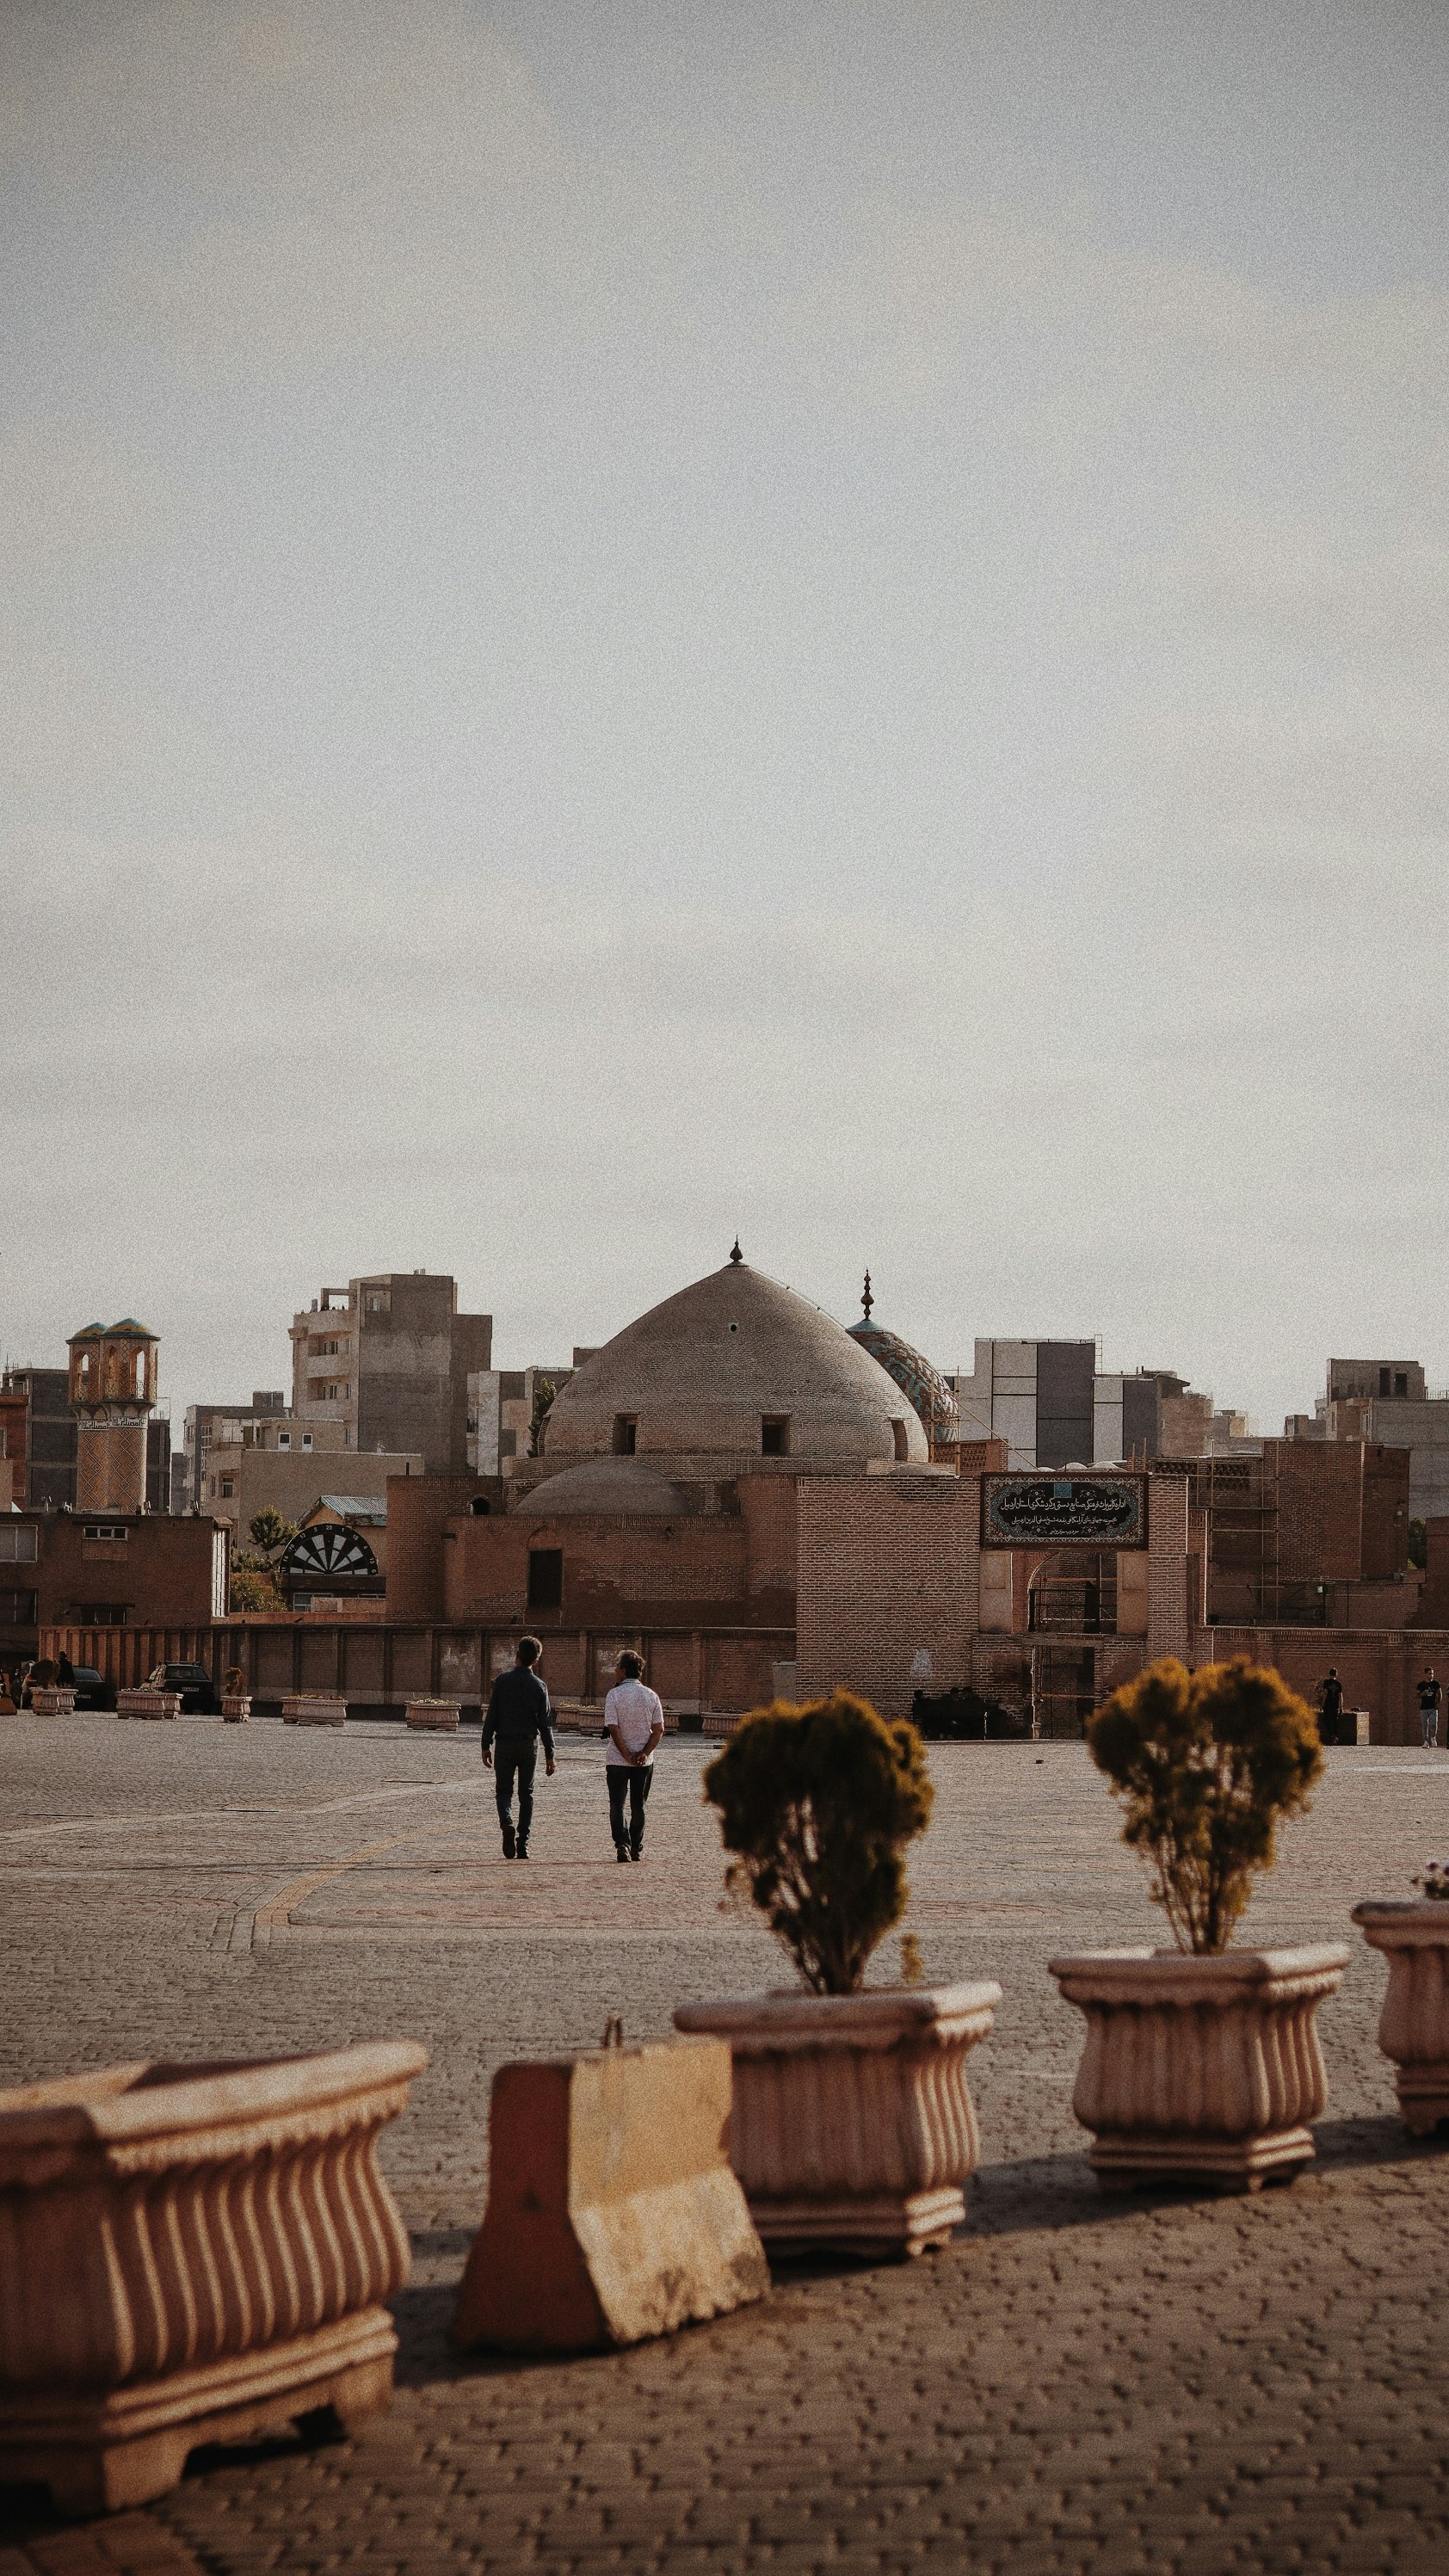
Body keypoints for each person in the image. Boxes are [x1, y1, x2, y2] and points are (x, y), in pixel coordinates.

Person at [480, 1636, 556, 1858]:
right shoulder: (540, 1686)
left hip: (504, 1743)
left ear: (517, 1655)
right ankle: (523, 1844)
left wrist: (486, 1745)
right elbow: (545, 1723)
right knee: (527, 1794)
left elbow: (492, 1716)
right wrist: (550, 1754)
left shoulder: (502, 1681)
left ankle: (506, 1823)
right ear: (536, 1659)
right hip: (528, 1744)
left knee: (503, 1790)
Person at [604, 1650, 664, 1863]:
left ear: (623, 1670)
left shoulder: (614, 1695)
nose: (615, 1670)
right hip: (644, 1762)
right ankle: (636, 1847)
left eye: (617, 1666)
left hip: (617, 1760)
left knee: (617, 1804)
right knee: (639, 1804)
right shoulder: (651, 1695)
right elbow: (658, 1730)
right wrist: (644, 1753)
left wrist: (626, 1755)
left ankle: (622, 1844)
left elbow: (613, 1728)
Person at [1318, 1667, 1345, 1742]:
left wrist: (1322, 1703)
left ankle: (1333, 1736)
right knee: (1335, 1721)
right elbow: (1340, 1696)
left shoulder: (1326, 1682)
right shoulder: (1338, 1684)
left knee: (1326, 1720)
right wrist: (1341, 1707)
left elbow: (1325, 1693)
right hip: (1335, 1704)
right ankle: (1335, 1737)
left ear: (1329, 1673)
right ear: (1336, 1674)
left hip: (1328, 1704)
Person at [1419, 1667, 1442, 1750]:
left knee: (1434, 1724)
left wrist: (1438, 1703)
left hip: (1433, 1708)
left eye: (1432, 1674)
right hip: (1424, 1708)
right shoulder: (1421, 1684)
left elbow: (1440, 1693)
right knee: (1424, 1725)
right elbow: (1416, 1695)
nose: (1431, 1675)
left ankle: (1433, 1737)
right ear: (1425, 1674)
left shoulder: (1436, 1683)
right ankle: (1425, 1741)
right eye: (1429, 1674)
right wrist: (1422, 1694)